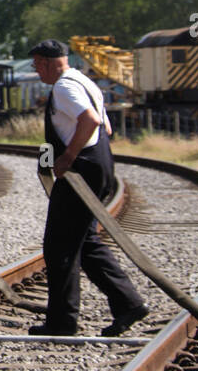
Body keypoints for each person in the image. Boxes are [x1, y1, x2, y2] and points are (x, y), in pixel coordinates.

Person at [30, 39, 148, 337]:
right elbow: (106, 129)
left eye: (36, 64)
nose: (35, 70)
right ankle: (127, 303)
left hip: (80, 174)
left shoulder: (63, 87)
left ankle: (62, 323)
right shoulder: (85, 81)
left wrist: (68, 157)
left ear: (45, 62)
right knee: (85, 242)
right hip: (100, 166)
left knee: (59, 247)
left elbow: (91, 121)